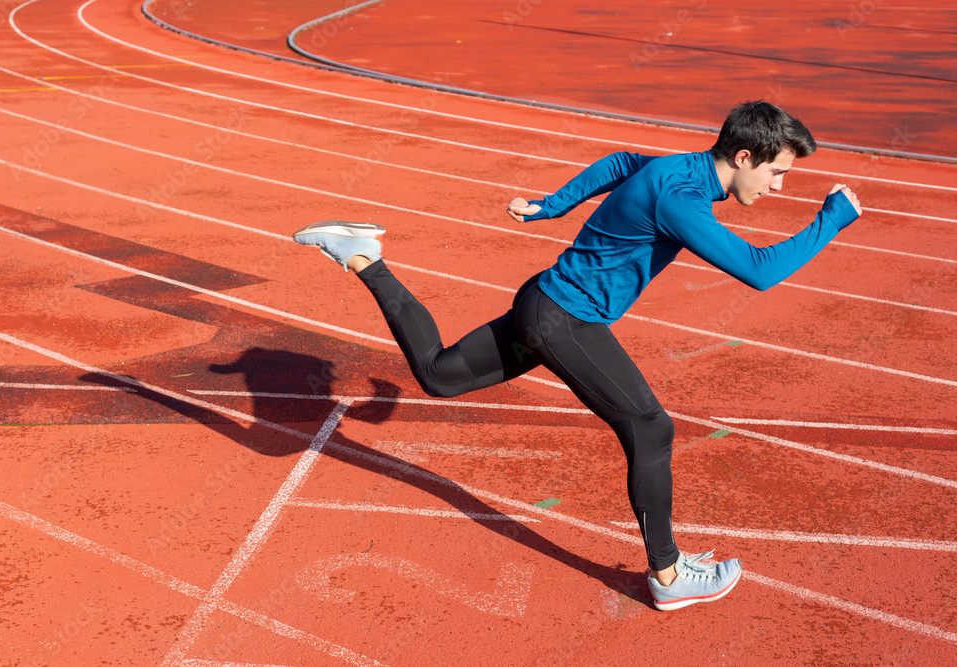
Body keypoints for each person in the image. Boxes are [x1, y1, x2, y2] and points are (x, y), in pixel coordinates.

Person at [293, 100, 862, 611]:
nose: (780, 185)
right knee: (651, 428)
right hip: (566, 321)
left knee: (440, 376)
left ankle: (361, 253)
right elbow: (759, 273)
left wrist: (552, 207)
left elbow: (618, 164)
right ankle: (667, 574)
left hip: (544, 303)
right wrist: (830, 220)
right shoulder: (683, 198)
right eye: (778, 172)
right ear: (743, 156)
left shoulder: (679, 166)